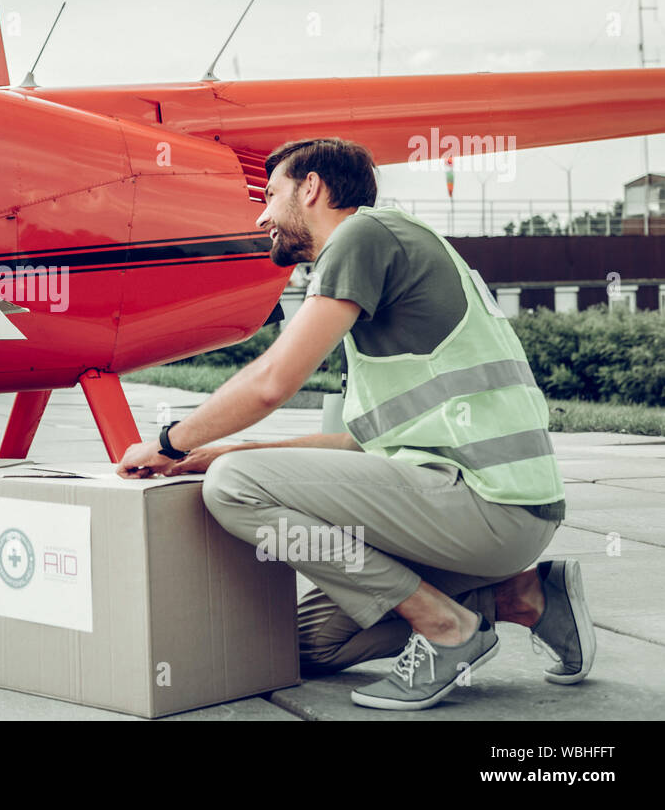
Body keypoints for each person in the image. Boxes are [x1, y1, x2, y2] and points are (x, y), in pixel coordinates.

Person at [117, 137, 594, 710]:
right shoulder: (388, 266)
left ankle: (446, 629)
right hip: (482, 512)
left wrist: (170, 444)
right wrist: (239, 447)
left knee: (235, 488)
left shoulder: (362, 235)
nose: (261, 215)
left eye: (270, 195)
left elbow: (272, 382)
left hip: (488, 506)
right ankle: (526, 597)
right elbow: (359, 442)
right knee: (304, 645)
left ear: (311, 187)